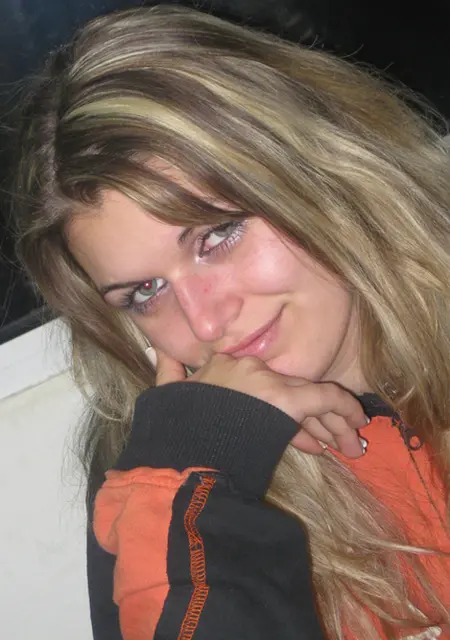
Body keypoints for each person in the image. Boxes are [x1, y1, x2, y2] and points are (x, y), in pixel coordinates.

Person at [12, 4, 450, 639]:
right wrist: (196, 476)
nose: (207, 321)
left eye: (217, 235)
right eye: (145, 291)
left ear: (316, 172)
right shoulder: (159, 473)